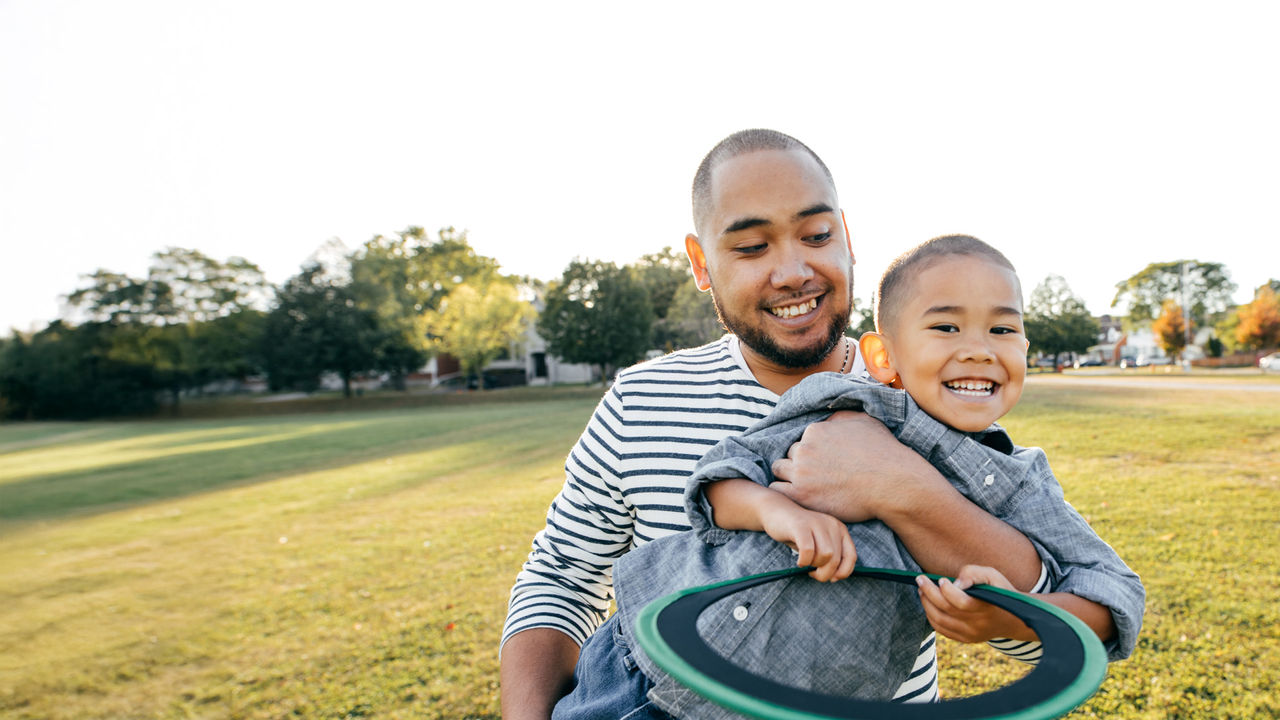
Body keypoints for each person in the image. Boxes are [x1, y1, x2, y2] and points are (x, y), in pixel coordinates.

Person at [501, 130, 1047, 720]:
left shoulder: (937, 400)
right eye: (752, 246)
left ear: (847, 236)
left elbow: (1039, 618)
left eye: (816, 236)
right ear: (700, 262)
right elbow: (560, 578)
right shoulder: (639, 401)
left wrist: (901, 488)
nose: (792, 271)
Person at [574, 235, 1143, 718]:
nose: (977, 351)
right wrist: (779, 512)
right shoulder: (839, 403)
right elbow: (724, 477)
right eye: (945, 327)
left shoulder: (1016, 484)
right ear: (883, 355)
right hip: (632, 662)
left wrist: (1013, 618)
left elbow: (1113, 598)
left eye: (1002, 331)